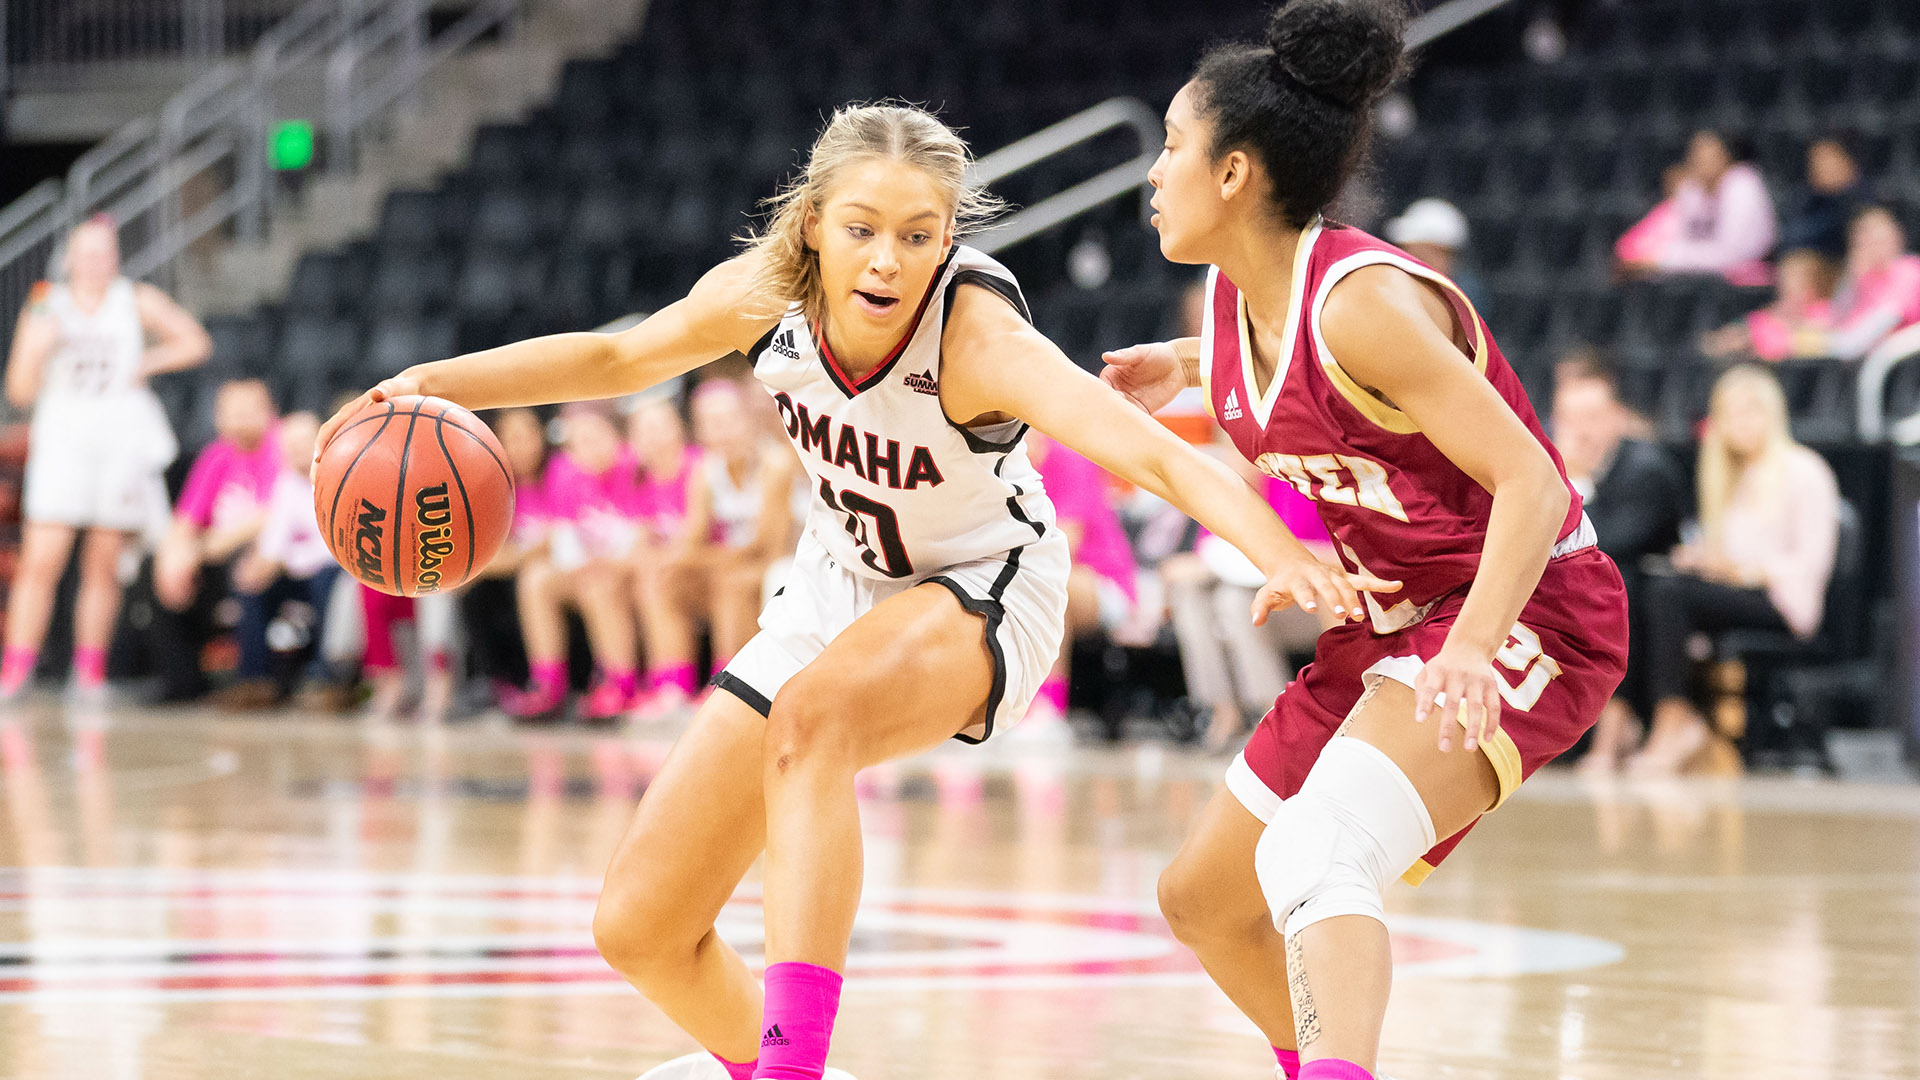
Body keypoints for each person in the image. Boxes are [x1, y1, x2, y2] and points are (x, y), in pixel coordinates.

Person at [316, 101, 1360, 1080]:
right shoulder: (766, 293)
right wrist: (434, 383)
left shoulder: (976, 337)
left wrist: (1280, 547)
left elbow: (1158, 460)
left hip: (985, 585)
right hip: (836, 584)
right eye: (863, 228)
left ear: (948, 237)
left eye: (919, 234)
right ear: (814, 224)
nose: (889, 258)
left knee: (811, 722)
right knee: (640, 927)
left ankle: (791, 1069)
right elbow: (616, 354)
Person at [1100, 5, 1629, 1079]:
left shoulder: (1365, 303)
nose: (1154, 173)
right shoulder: (1234, 297)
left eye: (1171, 145)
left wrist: (1474, 648)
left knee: (1321, 851)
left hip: (1524, 606)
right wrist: (1191, 366)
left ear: (1238, 173)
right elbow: (1300, 379)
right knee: (1201, 900)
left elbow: (1532, 480)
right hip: (1392, 620)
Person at [0, 217, 210, 702]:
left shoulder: (135, 299)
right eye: (88, 254)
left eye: (106, 253)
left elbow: (196, 342)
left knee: (103, 564)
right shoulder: (43, 305)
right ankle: (16, 671)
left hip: (119, 442)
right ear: (69, 258)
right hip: (63, 441)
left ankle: (89, 674)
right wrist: (38, 350)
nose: (98, 263)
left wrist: (149, 363)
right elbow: (18, 390)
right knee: (41, 560)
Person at [1630, 365, 1839, 776]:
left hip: (1784, 604)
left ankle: (1675, 720)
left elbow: (1810, 565)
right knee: (1649, 585)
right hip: (1739, 592)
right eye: (1730, 415)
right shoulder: (1732, 479)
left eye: (1750, 412)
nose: (1740, 424)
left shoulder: (1805, 472)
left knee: (1669, 594)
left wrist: (1736, 569)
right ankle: (1638, 718)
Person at [1549, 361, 1687, 772]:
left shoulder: (1647, 468)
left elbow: (1610, 543)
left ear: (1618, 418)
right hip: (1582, 595)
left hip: (1646, 596)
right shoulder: (1547, 465)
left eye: (1592, 418)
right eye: (1569, 419)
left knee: (1617, 586)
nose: (1581, 431)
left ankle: (1614, 729)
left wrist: (1576, 481)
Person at [1164, 460, 1338, 751]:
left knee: (1236, 601)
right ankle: (1223, 710)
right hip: (1254, 602)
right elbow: (1209, 557)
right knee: (1191, 595)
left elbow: (1321, 556)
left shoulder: (1292, 487)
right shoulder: (1224, 499)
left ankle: (1274, 713)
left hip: (1309, 606)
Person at [657, 378, 800, 710]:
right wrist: (670, 561)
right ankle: (672, 683)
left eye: (727, 421)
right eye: (710, 424)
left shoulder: (775, 464)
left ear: (746, 418)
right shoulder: (705, 470)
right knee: (666, 579)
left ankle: (727, 682)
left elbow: (765, 546)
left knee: (731, 584)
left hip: (782, 563)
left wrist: (699, 560)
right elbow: (693, 538)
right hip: (732, 563)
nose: (720, 432)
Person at [505, 403, 643, 723]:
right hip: (591, 570)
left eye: (594, 438)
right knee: (536, 578)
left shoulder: (632, 468)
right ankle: (548, 683)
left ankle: (619, 684)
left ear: (616, 437)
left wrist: (601, 563)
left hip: (633, 569)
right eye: (577, 443)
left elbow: (641, 537)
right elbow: (565, 541)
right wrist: (583, 565)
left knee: (600, 583)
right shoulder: (567, 473)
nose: (586, 449)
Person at [152, 378, 281, 704]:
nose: (237, 419)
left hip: (272, 554)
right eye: (229, 412)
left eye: (246, 411)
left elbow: (272, 513)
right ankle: (182, 684)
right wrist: (172, 556)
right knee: (156, 569)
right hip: (213, 554)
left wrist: (205, 548)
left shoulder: (279, 448)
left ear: (269, 412)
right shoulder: (216, 455)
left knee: (244, 567)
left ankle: (255, 683)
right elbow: (184, 519)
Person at [1024, 430, 1140, 738]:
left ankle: (1048, 709)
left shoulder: (1069, 458)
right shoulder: (1003, 466)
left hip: (1105, 585)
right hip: (1037, 575)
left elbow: (1063, 546)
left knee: (1051, 584)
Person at [229, 412, 339, 704]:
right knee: (252, 586)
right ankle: (255, 680)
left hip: (332, 571)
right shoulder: (286, 483)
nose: (296, 452)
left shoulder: (337, 477)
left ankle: (327, 679)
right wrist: (261, 565)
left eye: (302, 444)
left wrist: (281, 560)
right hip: (297, 571)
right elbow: (274, 541)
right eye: (289, 446)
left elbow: (333, 546)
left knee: (325, 580)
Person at [459, 407, 553, 706]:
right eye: (514, 438)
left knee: (519, 582)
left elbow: (552, 544)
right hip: (512, 572)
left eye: (528, 436)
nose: (523, 445)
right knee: (474, 592)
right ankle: (493, 682)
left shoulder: (559, 473)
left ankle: (541, 682)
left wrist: (506, 559)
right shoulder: (497, 485)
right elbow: (491, 549)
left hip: (551, 573)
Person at [624, 397, 706, 719]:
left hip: (708, 563)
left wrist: (660, 561)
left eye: (660, 427)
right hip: (672, 568)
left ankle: (674, 683)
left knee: (657, 578)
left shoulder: (698, 466)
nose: (653, 437)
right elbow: (641, 539)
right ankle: (659, 684)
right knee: (646, 576)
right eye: (644, 430)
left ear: (679, 429)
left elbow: (697, 534)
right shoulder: (639, 477)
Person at [1617, 130, 1776, 286]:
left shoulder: (1742, 183)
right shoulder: (1692, 188)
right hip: (1701, 280)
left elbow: (1734, 254)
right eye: (1696, 153)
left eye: (1709, 153)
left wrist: (1663, 260)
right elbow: (1681, 240)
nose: (1700, 159)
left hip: (1748, 287)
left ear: (1727, 155)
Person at [1817, 206, 1920, 360]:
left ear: (1897, 237)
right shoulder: (1865, 277)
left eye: (1880, 240)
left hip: (1902, 369)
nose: (1873, 247)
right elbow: (1836, 318)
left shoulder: (1908, 271)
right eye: (1865, 241)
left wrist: (1830, 342)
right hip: (1862, 361)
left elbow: (1854, 343)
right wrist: (1851, 279)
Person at [1699, 248, 1838, 362]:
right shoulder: (1766, 315)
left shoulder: (1824, 312)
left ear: (1816, 287)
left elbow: (1816, 340)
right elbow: (1726, 336)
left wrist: (1785, 328)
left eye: (1798, 287)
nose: (1788, 293)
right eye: (1784, 286)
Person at [1382, 197, 1485, 315]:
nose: (1403, 254)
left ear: (1439, 251)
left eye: (1415, 251)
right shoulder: (1396, 287)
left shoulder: (1468, 298)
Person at [1777, 136, 1867, 262]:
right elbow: (1792, 238)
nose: (1823, 167)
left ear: (1849, 163)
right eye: (1816, 161)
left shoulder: (1866, 201)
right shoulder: (1804, 199)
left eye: (1830, 158)